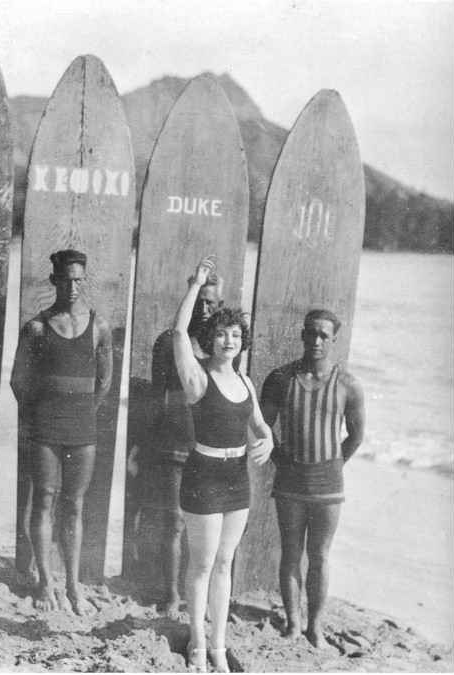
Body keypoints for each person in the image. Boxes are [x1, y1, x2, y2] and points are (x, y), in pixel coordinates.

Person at [173, 256, 273, 672]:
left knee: (225, 563)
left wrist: (267, 440)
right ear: (210, 339)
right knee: (202, 564)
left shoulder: (246, 381)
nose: (229, 341)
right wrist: (196, 284)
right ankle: (197, 644)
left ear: (241, 341)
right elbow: (179, 332)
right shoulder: (198, 378)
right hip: (204, 476)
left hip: (237, 480)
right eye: (221, 334)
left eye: (236, 335)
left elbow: (260, 425)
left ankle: (218, 645)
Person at [11, 249, 113, 615]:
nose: (72, 286)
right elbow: (18, 381)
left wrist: (81, 409)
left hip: (82, 425)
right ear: (53, 280)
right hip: (46, 426)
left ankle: (72, 584)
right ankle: (45, 581)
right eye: (65, 279)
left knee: (75, 505)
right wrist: (41, 415)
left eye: (78, 279)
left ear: (84, 281)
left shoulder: (99, 326)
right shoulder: (37, 326)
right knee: (44, 499)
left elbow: (104, 382)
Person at [260, 309, 365, 647]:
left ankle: (315, 626)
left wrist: (332, 465)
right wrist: (280, 459)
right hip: (290, 479)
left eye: (323, 335)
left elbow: (356, 436)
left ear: (334, 339)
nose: (316, 341)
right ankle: (293, 623)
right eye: (310, 333)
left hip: (327, 483)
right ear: (302, 335)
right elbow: (262, 427)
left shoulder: (348, 384)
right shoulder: (280, 378)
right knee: (291, 551)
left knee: (319, 554)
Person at [131, 274, 224, 615]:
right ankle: (170, 595)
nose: (204, 308)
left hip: (209, 446)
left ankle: (196, 595)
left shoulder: (224, 345)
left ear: (220, 306)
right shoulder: (166, 343)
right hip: (171, 442)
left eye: (211, 303)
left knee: (206, 526)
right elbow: (156, 396)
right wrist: (142, 445)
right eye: (199, 300)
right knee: (173, 521)